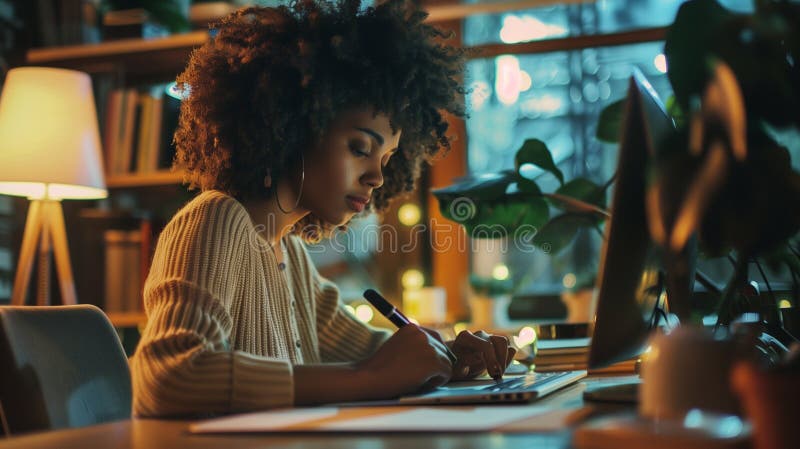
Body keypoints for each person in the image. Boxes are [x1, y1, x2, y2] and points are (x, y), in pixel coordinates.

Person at [131, 0, 514, 417]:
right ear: (292, 126)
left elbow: (379, 354)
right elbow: (169, 375)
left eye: (385, 160)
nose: (377, 178)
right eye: (360, 148)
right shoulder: (216, 220)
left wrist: (451, 357)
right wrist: (368, 378)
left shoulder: (290, 255)